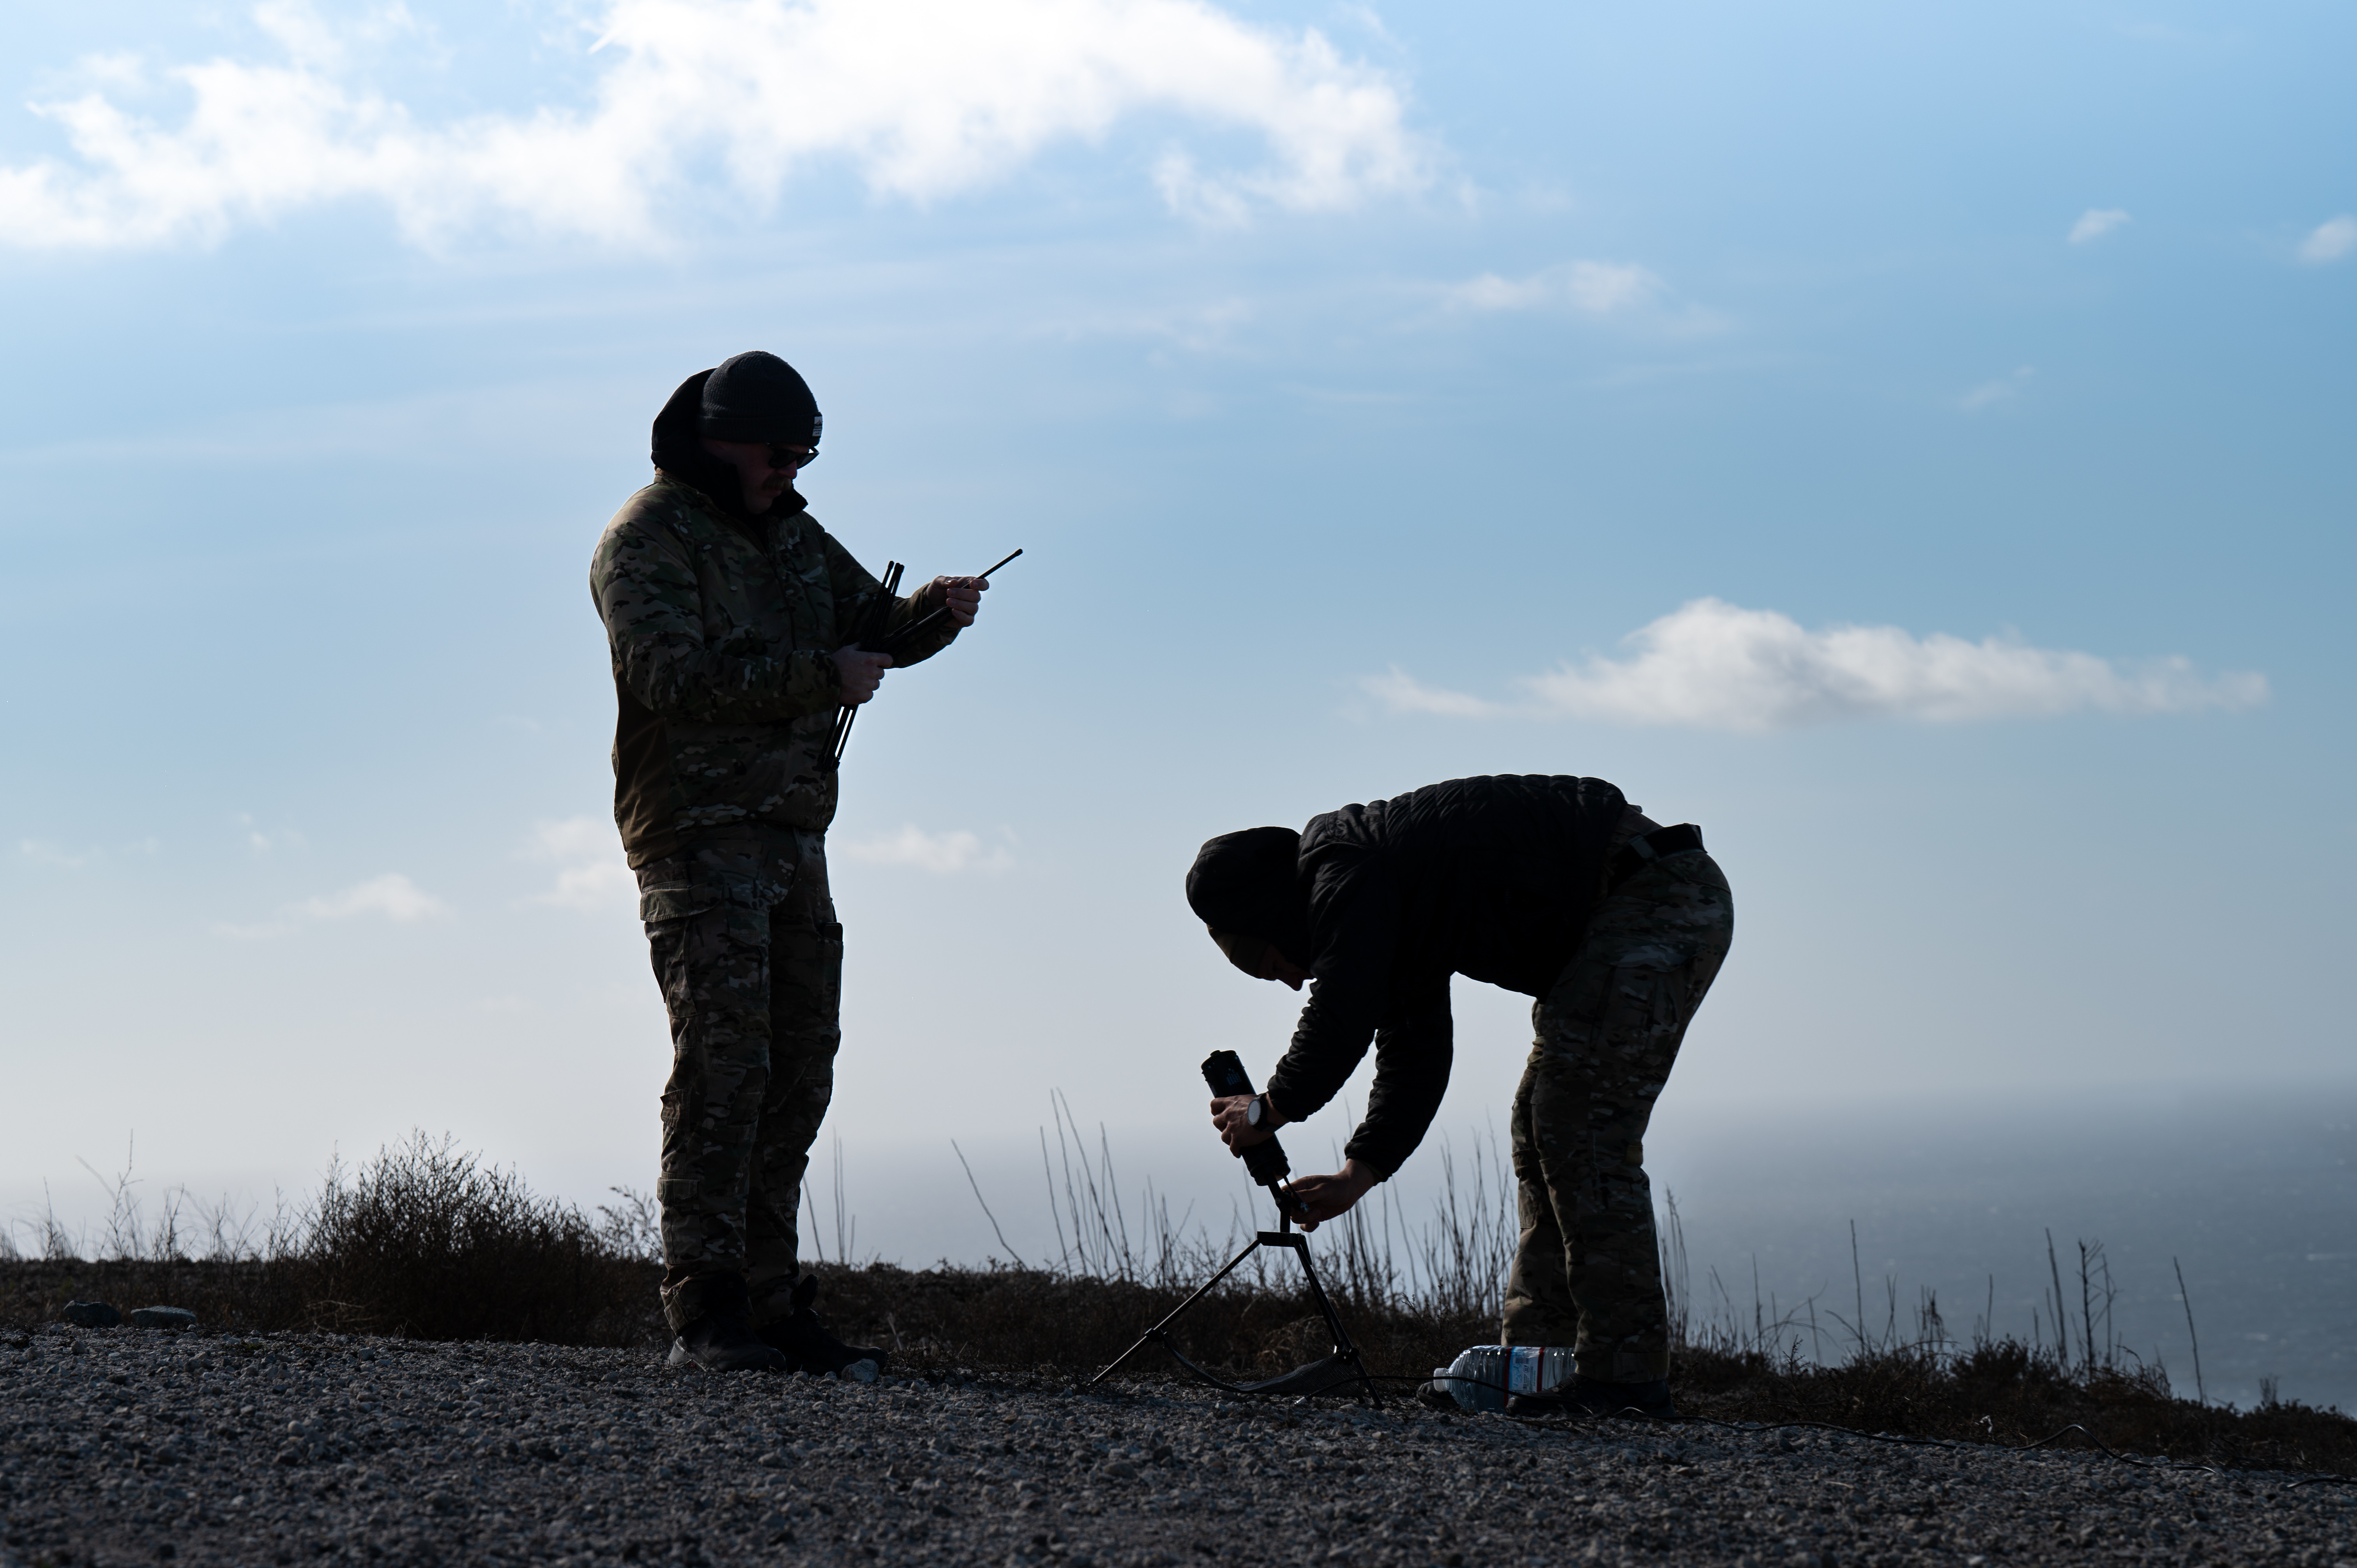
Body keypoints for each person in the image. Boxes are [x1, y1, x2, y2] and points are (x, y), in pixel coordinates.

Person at [591, 350, 988, 1373]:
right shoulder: (647, 541)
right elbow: (671, 677)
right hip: (695, 836)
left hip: (793, 843)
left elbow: (874, 633)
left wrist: (931, 619)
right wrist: (826, 675)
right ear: (724, 440)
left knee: (796, 1071)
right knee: (726, 1069)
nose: (791, 471)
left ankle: (770, 1305)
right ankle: (708, 1311)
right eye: (779, 453)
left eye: (806, 455)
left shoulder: (797, 539)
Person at [1185, 774, 1732, 1417]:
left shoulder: (1344, 866)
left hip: (1654, 894)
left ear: (1272, 916)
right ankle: (1530, 1369)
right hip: (1629, 910)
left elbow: (1341, 1011)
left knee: (1578, 1121)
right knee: (1542, 1126)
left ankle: (1627, 1379)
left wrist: (1264, 1110)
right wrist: (1358, 1174)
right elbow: (1415, 1055)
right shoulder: (1384, 899)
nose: (1288, 981)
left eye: (1270, 963)